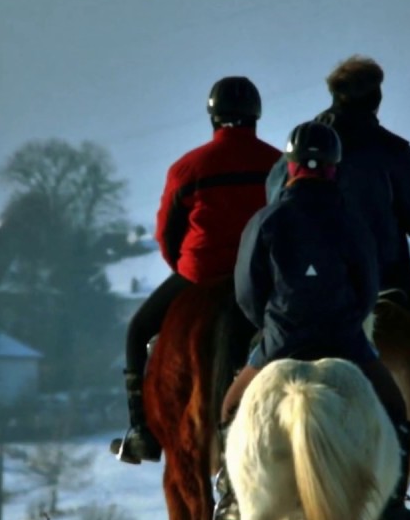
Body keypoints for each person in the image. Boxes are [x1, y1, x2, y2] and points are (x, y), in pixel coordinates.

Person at [265, 55, 410, 506]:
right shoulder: (394, 152)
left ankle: (234, 479)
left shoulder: (296, 148)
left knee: (248, 367)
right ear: (377, 97)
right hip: (384, 289)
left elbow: (268, 208)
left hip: (300, 297)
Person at [212, 120, 410, 520]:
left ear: (290, 168)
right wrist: (345, 324)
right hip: (345, 343)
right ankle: (393, 504)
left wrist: (271, 328)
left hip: (279, 343)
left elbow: (246, 291)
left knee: (231, 408)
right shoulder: (353, 221)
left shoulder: (265, 219)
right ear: (334, 168)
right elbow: (367, 290)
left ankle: (233, 497)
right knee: (397, 409)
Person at [110, 76, 282, 465]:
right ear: (256, 116)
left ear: (213, 118)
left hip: (200, 277)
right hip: (262, 283)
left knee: (138, 330)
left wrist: (186, 272)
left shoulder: (188, 167)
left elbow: (166, 234)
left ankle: (141, 433)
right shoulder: (278, 166)